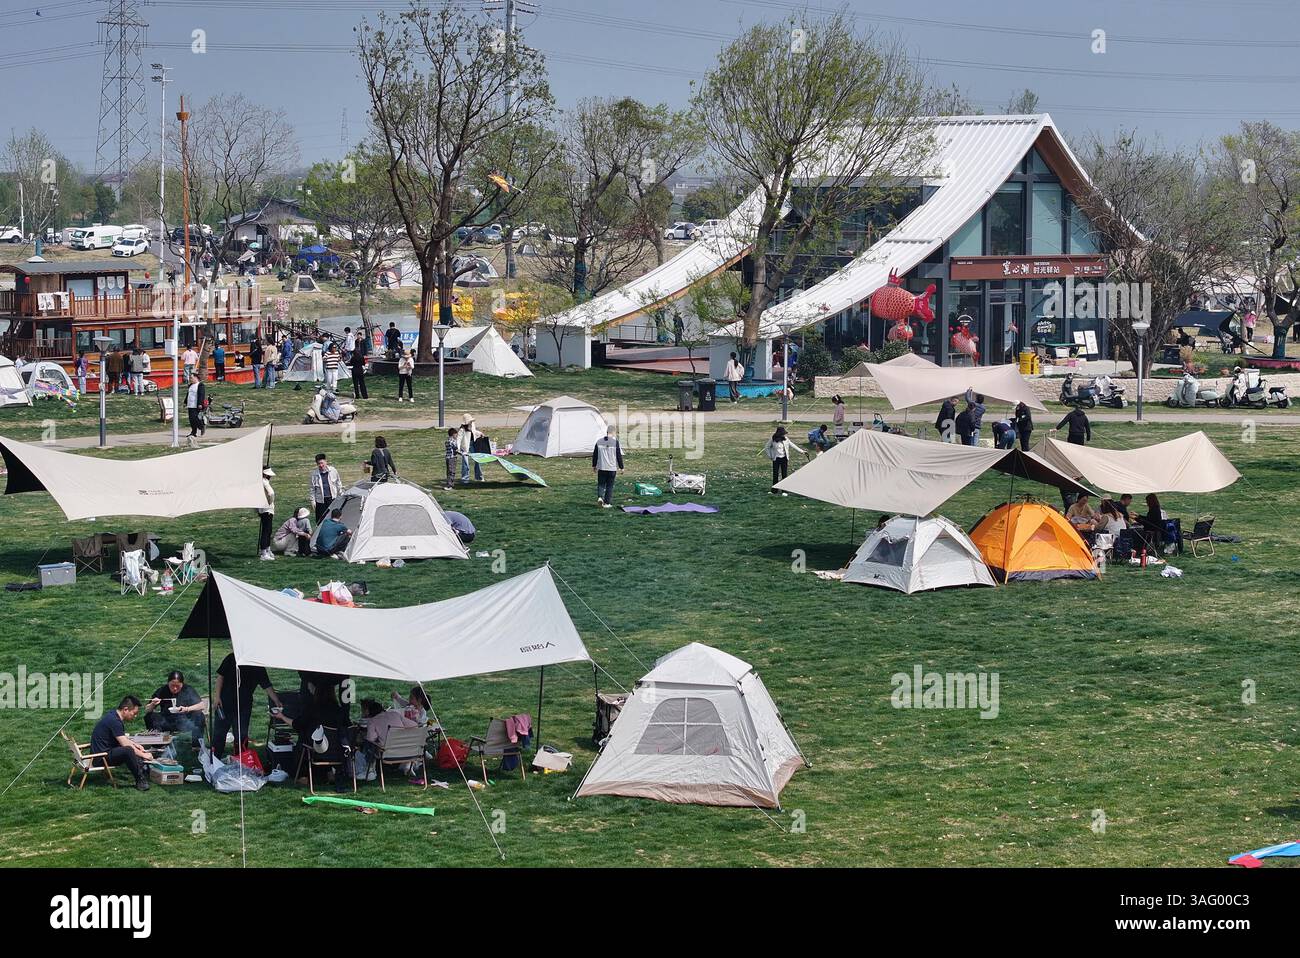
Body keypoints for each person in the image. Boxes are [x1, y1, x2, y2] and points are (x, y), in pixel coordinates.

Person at [211, 652, 282, 760]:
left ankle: (240, 759)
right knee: (219, 734)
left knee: (241, 735)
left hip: (244, 705)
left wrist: (276, 700)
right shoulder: (231, 658)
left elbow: (266, 684)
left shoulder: (256, 664)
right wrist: (217, 697)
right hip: (224, 703)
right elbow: (221, 677)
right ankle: (215, 758)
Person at [90, 696, 154, 790]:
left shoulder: (113, 715)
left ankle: (141, 769)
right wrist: (144, 755)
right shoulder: (115, 721)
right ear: (125, 709)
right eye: (134, 713)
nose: (135, 716)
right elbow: (125, 744)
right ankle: (140, 779)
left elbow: (122, 738)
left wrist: (135, 745)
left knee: (132, 748)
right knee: (128, 751)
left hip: (103, 753)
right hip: (100, 758)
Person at [144, 670, 206, 745]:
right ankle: (158, 745)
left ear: (182, 684)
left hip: (184, 721)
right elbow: (147, 709)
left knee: (200, 716)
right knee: (149, 716)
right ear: (168, 683)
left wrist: (187, 709)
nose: (175, 688)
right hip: (167, 721)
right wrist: (153, 704)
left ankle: (197, 745)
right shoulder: (163, 690)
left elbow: (202, 705)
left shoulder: (187, 689)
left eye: (178, 686)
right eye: (172, 685)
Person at [763, 426, 805, 492]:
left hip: (784, 459)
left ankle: (784, 490)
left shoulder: (786, 439)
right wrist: (770, 456)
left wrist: (802, 451)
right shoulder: (773, 439)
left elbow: (792, 445)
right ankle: (774, 490)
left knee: (784, 475)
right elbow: (767, 447)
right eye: (783, 433)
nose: (784, 434)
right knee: (775, 475)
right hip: (776, 459)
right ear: (779, 433)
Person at [592, 425, 624, 508]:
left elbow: (595, 454)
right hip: (611, 468)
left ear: (607, 432)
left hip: (602, 467)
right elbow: (618, 455)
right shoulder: (615, 442)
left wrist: (594, 465)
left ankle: (600, 497)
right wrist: (621, 467)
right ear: (613, 432)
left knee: (601, 484)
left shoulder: (599, 441)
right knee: (609, 485)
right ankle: (607, 503)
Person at [310, 453, 343, 523]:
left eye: (322, 463)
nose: (321, 465)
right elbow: (312, 489)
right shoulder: (314, 474)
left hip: (332, 499)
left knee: (333, 518)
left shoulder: (333, 470)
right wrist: (312, 501)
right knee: (321, 520)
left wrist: (341, 494)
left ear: (326, 461)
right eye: (319, 464)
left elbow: (338, 483)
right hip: (320, 501)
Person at [257, 467, 276, 561]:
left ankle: (267, 549)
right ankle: (264, 552)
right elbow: (271, 493)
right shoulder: (264, 482)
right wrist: (270, 502)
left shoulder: (260, 482)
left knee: (268, 530)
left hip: (262, 509)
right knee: (266, 531)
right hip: (267, 509)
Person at [459, 414, 483, 483]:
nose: (471, 422)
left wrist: (480, 433)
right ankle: (465, 479)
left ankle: (479, 477)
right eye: (470, 421)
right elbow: (459, 439)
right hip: (465, 447)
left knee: (478, 460)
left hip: (473, 444)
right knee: (465, 463)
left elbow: (474, 432)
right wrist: (458, 448)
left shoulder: (472, 425)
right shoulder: (462, 430)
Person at [184, 373, 206, 445]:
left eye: (191, 378)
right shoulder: (190, 385)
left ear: (196, 378)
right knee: (191, 419)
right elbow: (188, 394)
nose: (190, 379)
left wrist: (200, 404)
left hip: (196, 405)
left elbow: (201, 395)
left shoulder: (200, 385)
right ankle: (193, 432)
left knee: (195, 418)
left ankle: (201, 426)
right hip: (190, 405)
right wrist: (185, 402)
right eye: (190, 378)